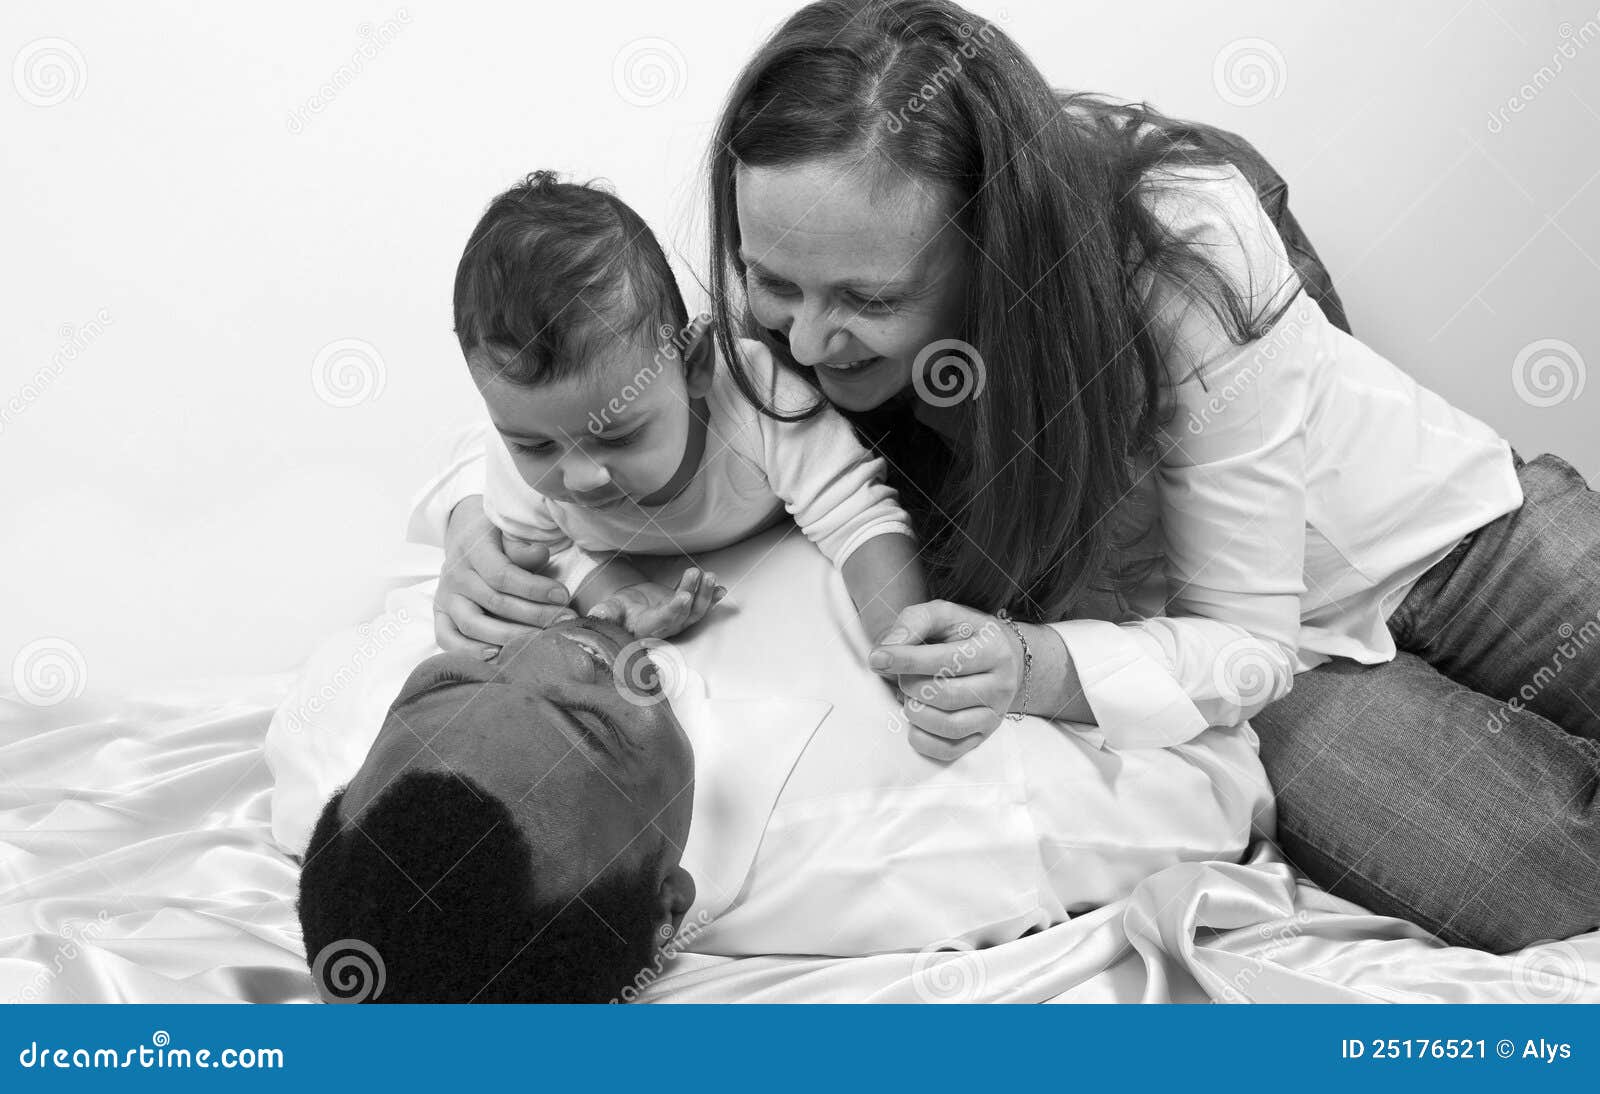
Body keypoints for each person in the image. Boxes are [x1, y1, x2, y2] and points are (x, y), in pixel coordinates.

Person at [424, 0, 1600, 952]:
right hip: (1265, 680)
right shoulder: (777, 364)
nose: (804, 338)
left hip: (1442, 529)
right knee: (1554, 882)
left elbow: (1244, 618)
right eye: (770, 276)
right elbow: (602, 406)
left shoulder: (1173, 262)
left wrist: (1033, 665)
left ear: (996, 247)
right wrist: (479, 520)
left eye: (868, 300)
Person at [295, 584, 1271, 1002]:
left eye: (458, 674)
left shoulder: (332, 715)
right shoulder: (926, 832)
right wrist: (1035, 663)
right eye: (590, 716)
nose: (554, 640)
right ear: (662, 907)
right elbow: (1224, 770)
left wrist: (477, 518)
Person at [447, 170, 924, 644]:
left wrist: (901, 639)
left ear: (695, 364)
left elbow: (861, 521)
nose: (580, 479)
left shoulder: (764, 403)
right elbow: (549, 551)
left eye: (617, 435)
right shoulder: (512, 466)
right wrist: (619, 591)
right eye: (533, 445)